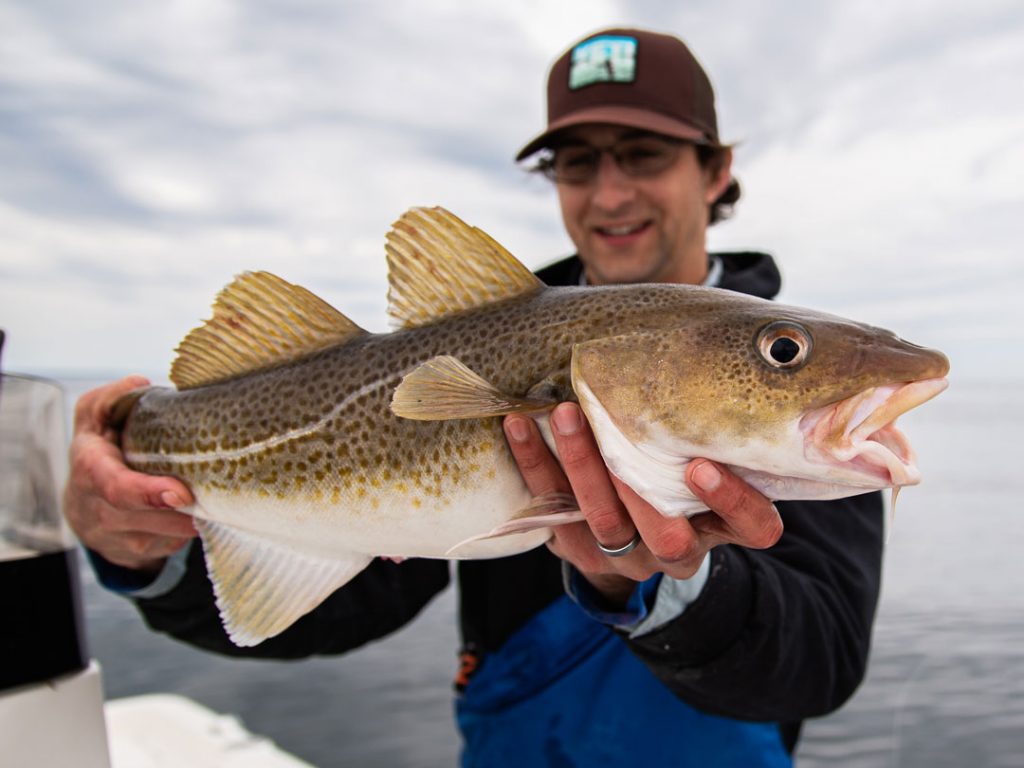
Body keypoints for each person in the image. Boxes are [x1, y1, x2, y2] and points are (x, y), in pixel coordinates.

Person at [64, 28, 883, 767]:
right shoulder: (483, 336)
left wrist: (655, 584)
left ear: (715, 171)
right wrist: (145, 549)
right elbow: (347, 606)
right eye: (577, 163)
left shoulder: (797, 406)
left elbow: (821, 661)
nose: (609, 195)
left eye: (643, 155)